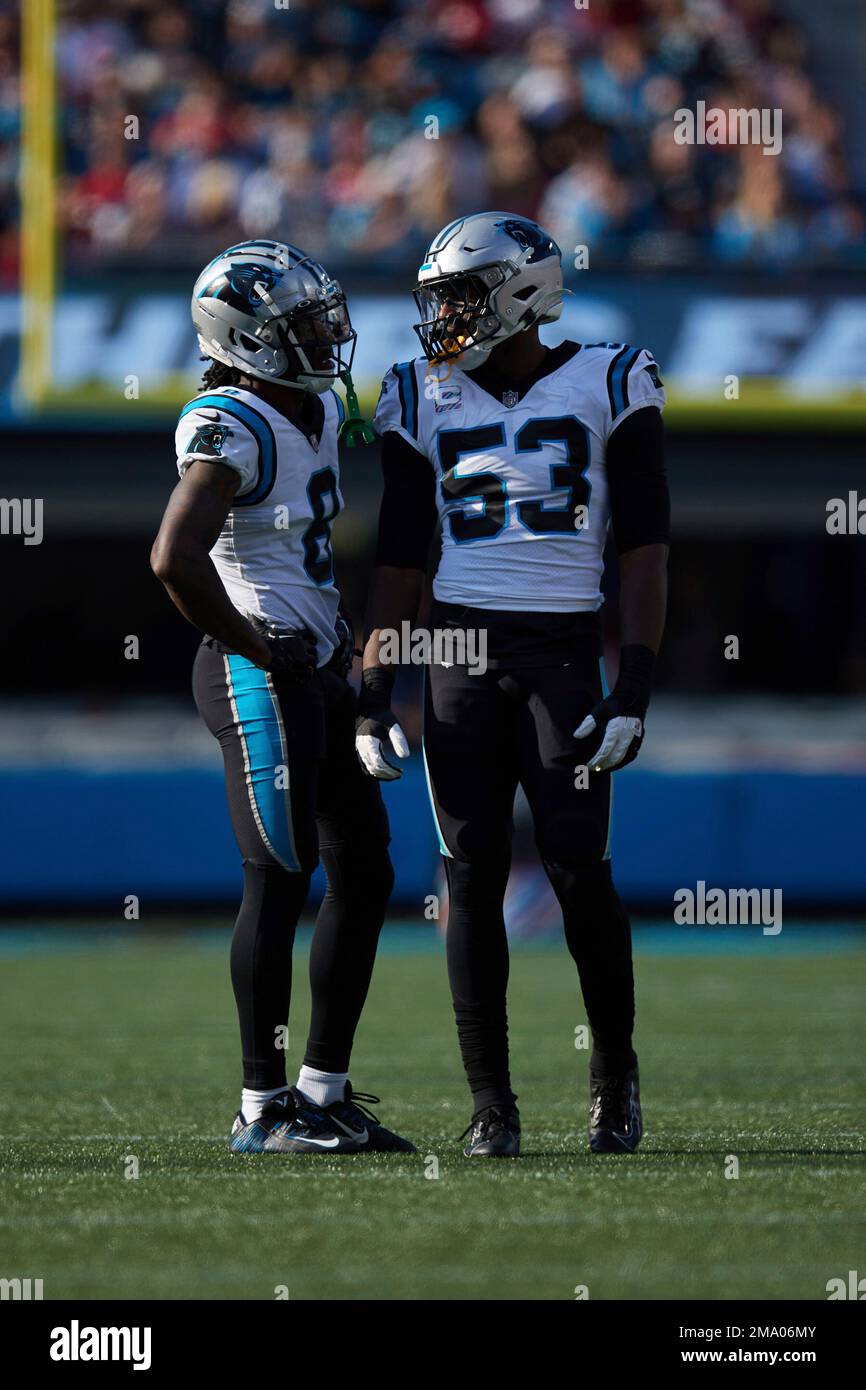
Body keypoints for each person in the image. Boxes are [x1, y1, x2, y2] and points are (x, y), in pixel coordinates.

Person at [356, 213, 669, 1156]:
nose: (440, 315)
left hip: (565, 650)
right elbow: (400, 560)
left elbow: (647, 548)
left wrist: (637, 684)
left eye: (458, 295)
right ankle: (493, 1103)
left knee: (579, 869)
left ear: (520, 294)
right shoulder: (416, 391)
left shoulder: (612, 375)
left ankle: (614, 1078)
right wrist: (377, 685)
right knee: (468, 876)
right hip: (455, 652)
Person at [151, 239, 414, 1155]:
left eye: (321, 316)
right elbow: (174, 557)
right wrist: (257, 644)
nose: (325, 334)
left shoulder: (304, 408)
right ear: (247, 336)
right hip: (257, 668)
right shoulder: (231, 419)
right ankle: (261, 1110)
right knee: (279, 879)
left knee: (367, 872)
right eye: (301, 323)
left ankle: (322, 1090)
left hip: (315, 671)